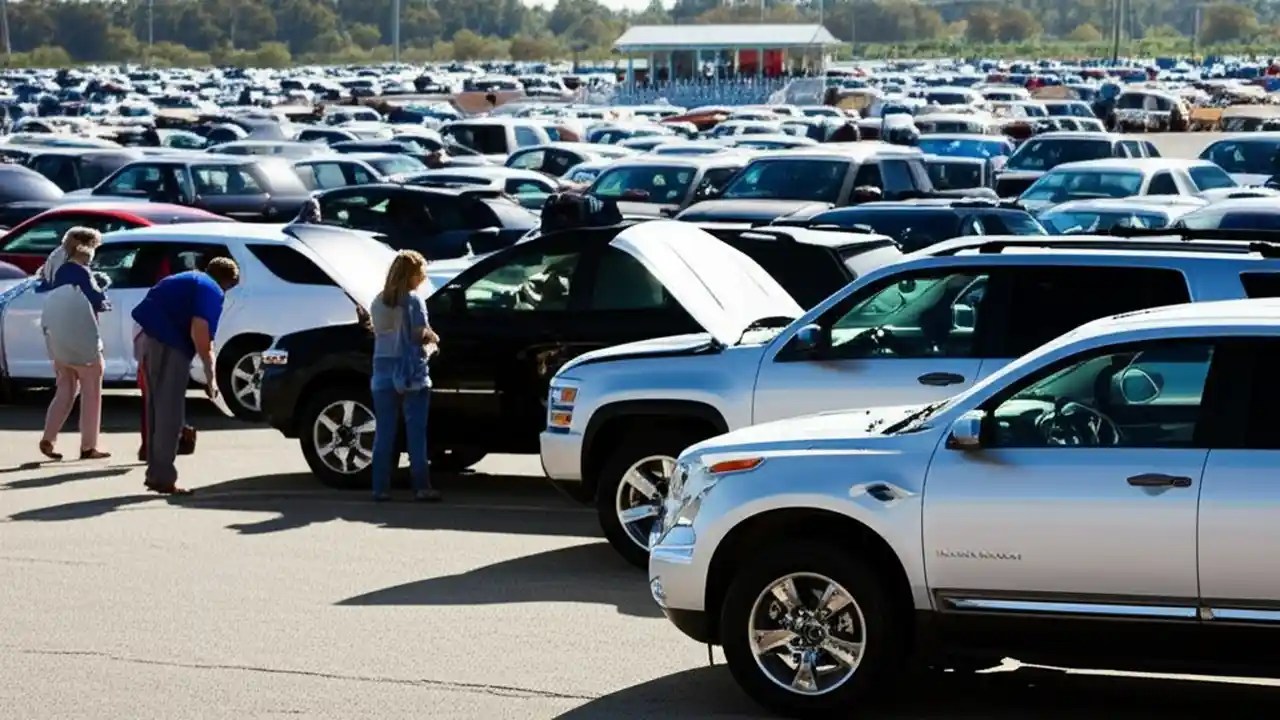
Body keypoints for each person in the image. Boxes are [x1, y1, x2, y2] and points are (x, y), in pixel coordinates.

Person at [131, 257, 241, 495]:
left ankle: (154, 470)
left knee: (156, 406)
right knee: (169, 410)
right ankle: (163, 477)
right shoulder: (211, 290)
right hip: (168, 343)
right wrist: (211, 374)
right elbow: (200, 329)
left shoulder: (187, 278)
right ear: (229, 283)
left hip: (146, 336)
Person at [369, 250, 441, 503]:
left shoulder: (378, 302)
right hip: (412, 373)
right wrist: (433, 339)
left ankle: (380, 488)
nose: (422, 279)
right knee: (416, 434)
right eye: (421, 274)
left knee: (385, 433)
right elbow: (418, 336)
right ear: (412, 274)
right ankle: (421, 486)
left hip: (382, 373)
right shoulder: (413, 301)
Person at [38, 229, 110, 461]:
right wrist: (102, 290)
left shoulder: (55, 268)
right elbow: (98, 301)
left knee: (65, 389)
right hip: (83, 341)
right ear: (86, 248)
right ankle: (89, 446)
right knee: (91, 393)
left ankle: (49, 437)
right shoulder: (80, 271)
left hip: (58, 339)